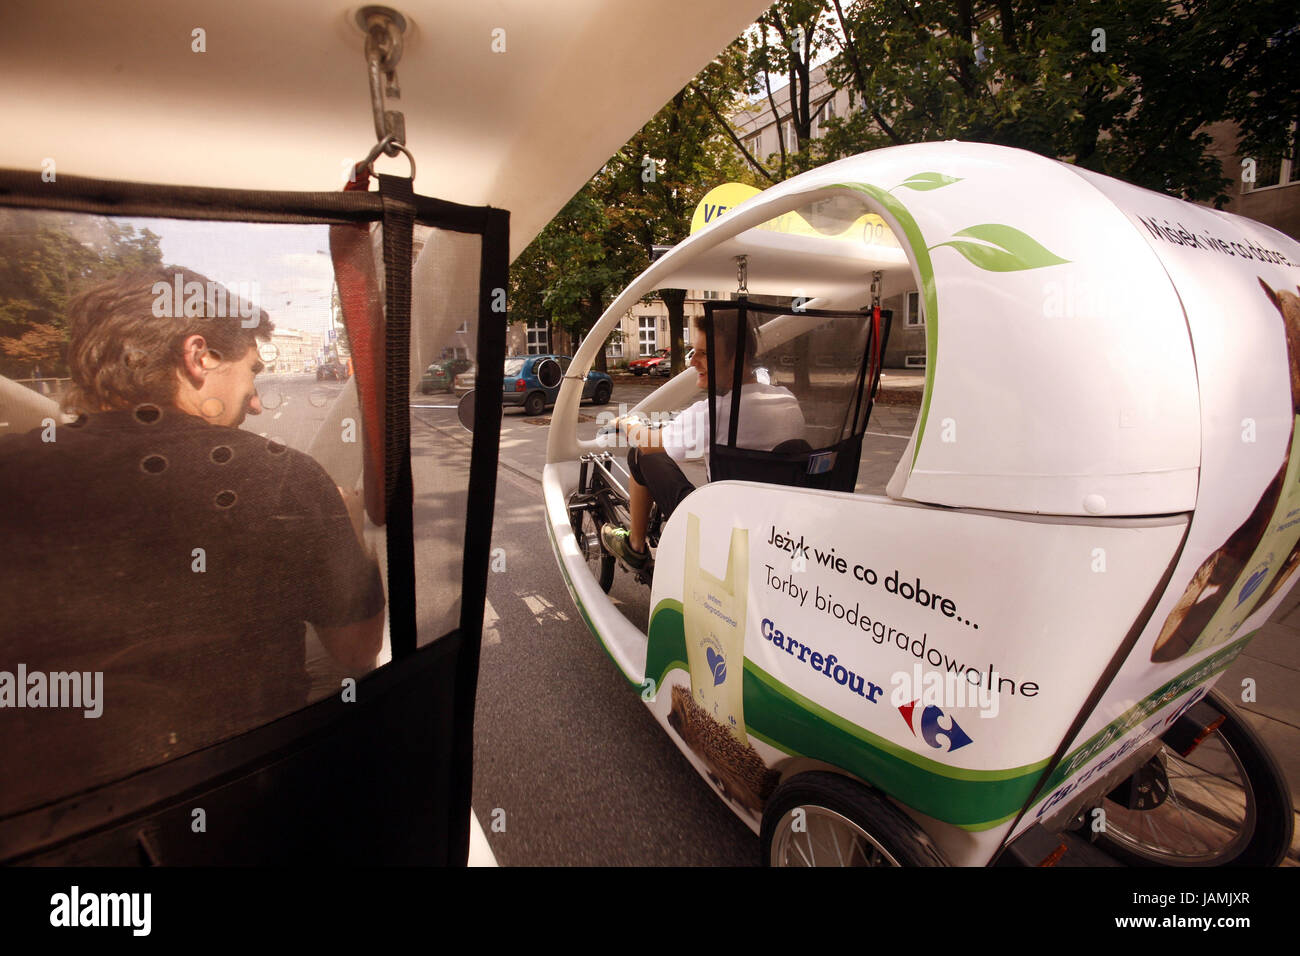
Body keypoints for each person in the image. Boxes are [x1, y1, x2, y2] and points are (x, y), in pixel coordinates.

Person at [0, 267, 385, 814]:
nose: (254, 403)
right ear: (199, 356)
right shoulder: (284, 477)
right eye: (251, 372)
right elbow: (357, 648)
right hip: (234, 805)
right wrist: (349, 529)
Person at [600, 311, 805, 570]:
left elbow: (650, 443)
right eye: (693, 352)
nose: (692, 362)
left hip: (720, 534)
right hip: (777, 532)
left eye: (705, 354)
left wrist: (626, 423)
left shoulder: (714, 413)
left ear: (737, 358)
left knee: (640, 455)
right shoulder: (787, 400)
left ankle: (635, 546)